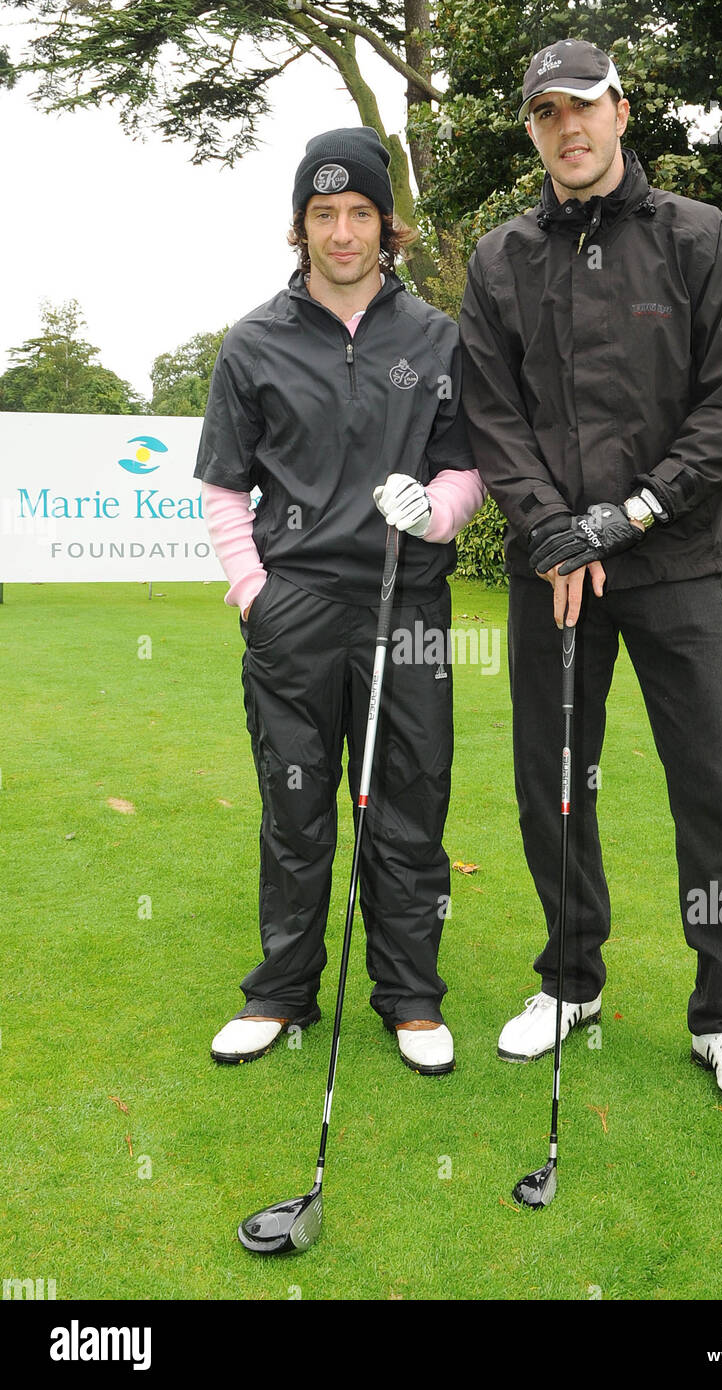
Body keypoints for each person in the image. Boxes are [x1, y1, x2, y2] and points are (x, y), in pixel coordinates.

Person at [459, 40, 722, 1123]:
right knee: (553, 784)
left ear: (621, 108)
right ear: (534, 131)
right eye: (547, 114)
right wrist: (556, 532)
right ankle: (570, 979)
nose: (569, 128)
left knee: (713, 793)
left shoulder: (699, 236)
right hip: (553, 570)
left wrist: (635, 509)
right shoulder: (500, 256)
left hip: (675, 559)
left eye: (584, 107)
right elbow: (490, 416)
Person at [196, 126, 484, 1075]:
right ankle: (281, 993)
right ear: (300, 227)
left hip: (410, 607)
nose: (344, 232)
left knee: (409, 804)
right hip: (298, 608)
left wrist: (438, 511)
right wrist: (253, 593)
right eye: (324, 215)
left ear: (387, 225)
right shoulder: (254, 342)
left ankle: (409, 997)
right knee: (296, 806)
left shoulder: (437, 337)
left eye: (361, 212)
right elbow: (225, 485)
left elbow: (467, 466)